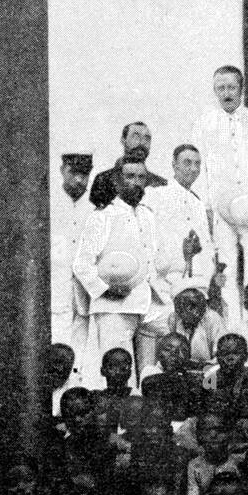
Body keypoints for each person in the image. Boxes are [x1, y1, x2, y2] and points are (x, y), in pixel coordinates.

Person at [72, 149, 171, 381]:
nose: (136, 183)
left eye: (141, 178)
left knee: (171, 346)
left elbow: (155, 260)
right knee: (118, 371)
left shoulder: (147, 216)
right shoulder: (102, 217)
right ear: (117, 180)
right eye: (130, 177)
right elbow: (82, 264)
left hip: (150, 304)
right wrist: (106, 289)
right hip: (115, 306)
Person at [191, 66, 248, 312]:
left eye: (232, 87)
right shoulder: (205, 122)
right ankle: (232, 328)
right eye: (221, 88)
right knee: (226, 269)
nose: (226, 93)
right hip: (221, 210)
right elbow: (199, 167)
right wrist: (205, 207)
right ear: (215, 90)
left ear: (241, 89)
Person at [145, 143, 217, 301]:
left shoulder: (198, 203)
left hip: (196, 285)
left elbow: (206, 246)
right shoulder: (156, 194)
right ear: (174, 165)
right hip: (164, 286)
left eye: (197, 164)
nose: (193, 169)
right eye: (187, 162)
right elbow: (145, 238)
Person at [50, 150, 93, 379]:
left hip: (83, 300)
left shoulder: (93, 210)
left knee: (80, 363)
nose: (79, 180)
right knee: (55, 360)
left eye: (84, 174)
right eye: (73, 173)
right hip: (55, 297)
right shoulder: (48, 206)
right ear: (62, 171)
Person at [184, 411, 243, 495]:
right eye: (207, 431)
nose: (213, 435)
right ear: (199, 435)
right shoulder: (194, 465)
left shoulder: (237, 463)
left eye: (219, 430)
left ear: (229, 434)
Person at [91, 121, 169, 202]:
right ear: (123, 140)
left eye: (147, 139)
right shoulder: (103, 180)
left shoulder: (159, 183)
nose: (142, 143)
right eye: (136, 137)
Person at [166, 279, 227, 366]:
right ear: (178, 308)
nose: (196, 312)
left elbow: (220, 357)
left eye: (201, 304)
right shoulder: (174, 318)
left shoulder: (213, 318)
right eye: (190, 306)